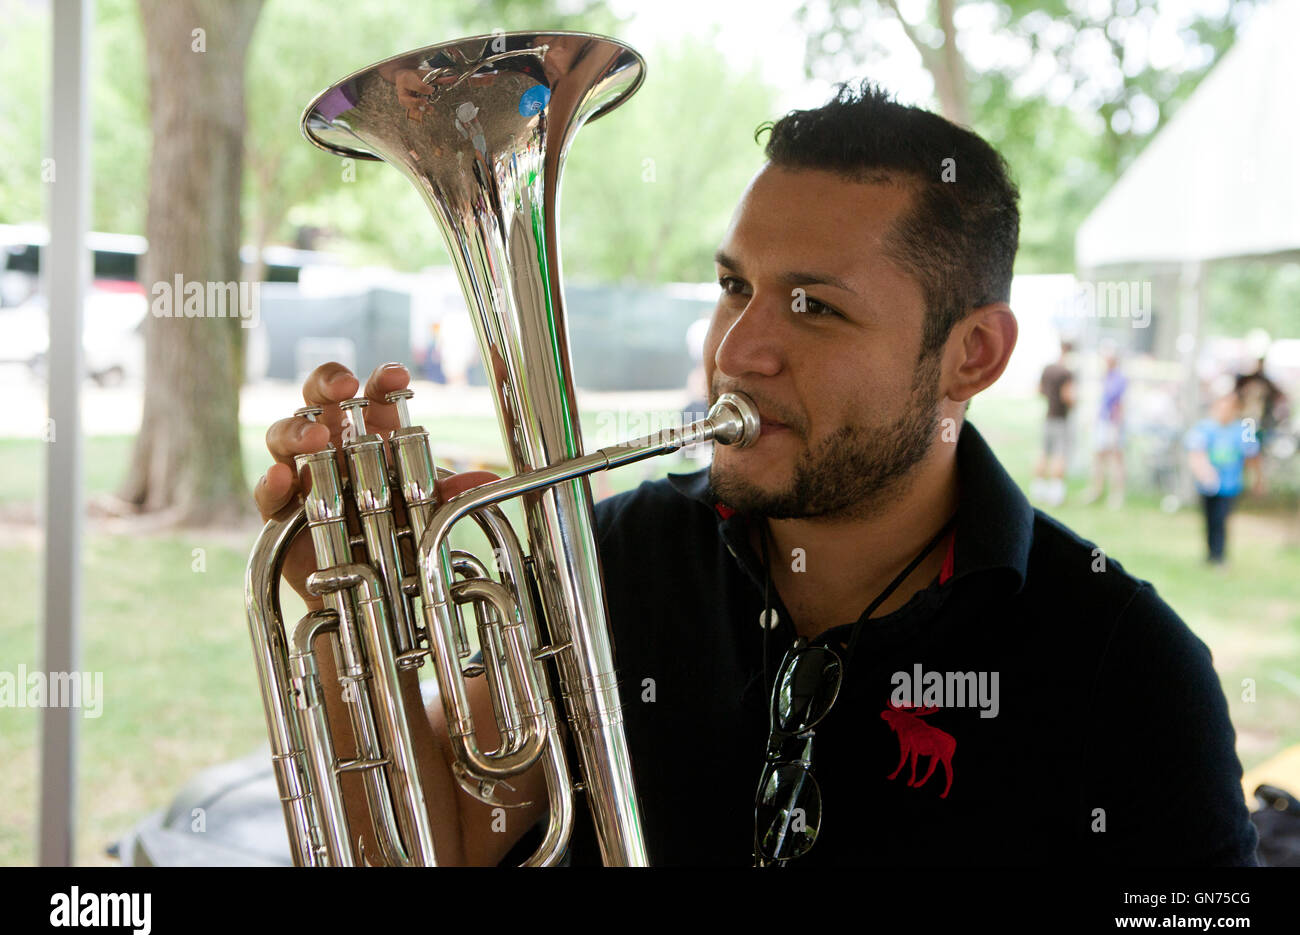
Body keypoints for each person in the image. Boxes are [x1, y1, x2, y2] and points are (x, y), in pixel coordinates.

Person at [254, 83, 1258, 866]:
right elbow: (455, 842)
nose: (740, 349)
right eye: (735, 285)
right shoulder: (613, 554)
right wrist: (355, 626)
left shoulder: (1128, 668)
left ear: (973, 357)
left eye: (814, 306)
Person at [1185, 378, 1261, 566]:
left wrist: (1258, 480)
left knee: (1221, 520)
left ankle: (1219, 556)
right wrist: (1205, 473)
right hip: (1207, 485)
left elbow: (1253, 456)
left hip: (1229, 485)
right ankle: (1210, 554)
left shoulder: (1244, 429)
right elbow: (1196, 453)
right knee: (1209, 520)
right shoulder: (1205, 428)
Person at [1234, 355, 1287, 497]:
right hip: (1248, 423)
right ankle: (1249, 484)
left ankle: (1258, 485)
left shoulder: (1266, 383)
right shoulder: (1247, 380)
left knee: (1256, 454)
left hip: (1258, 423)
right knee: (1249, 452)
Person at [1081, 341, 1126, 508]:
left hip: (1112, 423)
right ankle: (1096, 490)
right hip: (1101, 422)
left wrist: (1117, 426)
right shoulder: (1104, 377)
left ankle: (1116, 495)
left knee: (1115, 459)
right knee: (1098, 457)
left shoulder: (1119, 378)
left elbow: (1119, 404)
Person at [1031, 339, 1075, 507]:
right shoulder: (1066, 373)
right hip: (1061, 419)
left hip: (1048, 416)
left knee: (1043, 452)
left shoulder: (1048, 369)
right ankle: (1055, 493)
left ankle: (1038, 488)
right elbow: (1068, 397)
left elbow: (1039, 390)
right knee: (1059, 454)